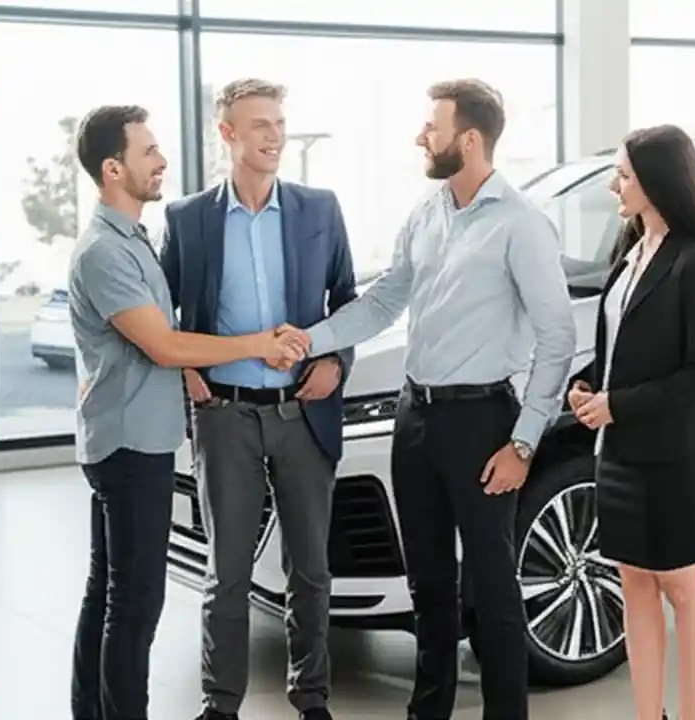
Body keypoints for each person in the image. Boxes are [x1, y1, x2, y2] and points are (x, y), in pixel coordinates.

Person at [280, 78, 576, 720]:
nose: (422, 136)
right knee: (429, 584)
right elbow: (387, 300)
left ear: (468, 139)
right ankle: (429, 713)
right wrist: (311, 341)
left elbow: (559, 338)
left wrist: (524, 441)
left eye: (432, 127)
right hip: (414, 417)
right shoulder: (427, 211)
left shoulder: (521, 224)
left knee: (492, 586)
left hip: (484, 420)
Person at [67, 105, 305, 720]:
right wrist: (256, 344)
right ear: (113, 168)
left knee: (108, 593)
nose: (161, 160)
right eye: (148, 152)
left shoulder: (132, 237)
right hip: (129, 445)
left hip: (128, 439)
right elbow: (166, 344)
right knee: (135, 604)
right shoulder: (104, 252)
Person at [158, 79, 357, 720]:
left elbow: (347, 301)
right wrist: (185, 375)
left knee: (311, 569)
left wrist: (334, 360)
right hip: (225, 413)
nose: (274, 136)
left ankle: (313, 698)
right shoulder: (188, 219)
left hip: (304, 410)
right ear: (228, 134)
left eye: (279, 122)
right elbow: (163, 315)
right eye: (260, 125)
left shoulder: (319, 209)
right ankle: (221, 704)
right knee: (228, 572)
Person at [567, 124, 695, 720]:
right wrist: (589, 383)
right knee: (635, 584)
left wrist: (618, 404)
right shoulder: (630, 251)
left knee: (681, 585)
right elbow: (621, 344)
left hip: (674, 453)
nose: (615, 185)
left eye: (624, 175)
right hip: (617, 452)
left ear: (656, 181)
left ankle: (694, 715)